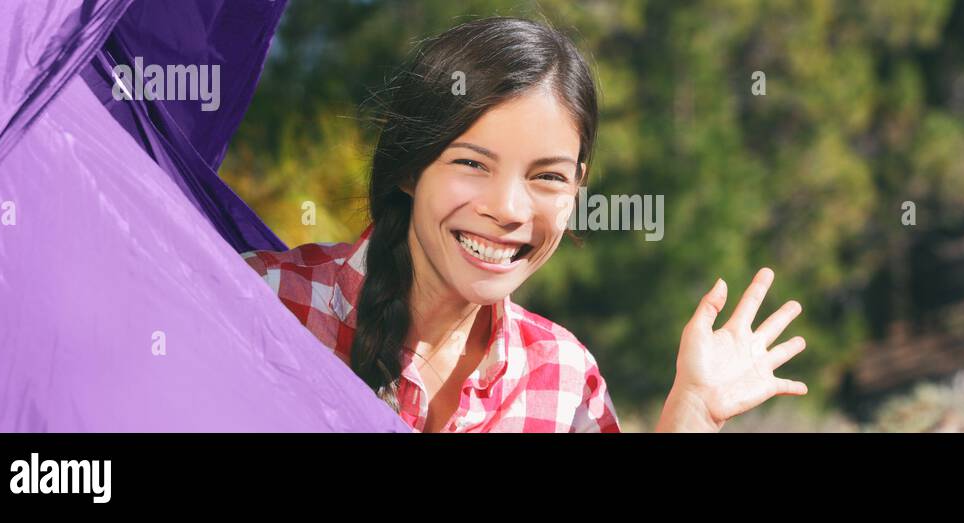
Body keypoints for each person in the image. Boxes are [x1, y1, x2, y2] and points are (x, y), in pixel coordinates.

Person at [242, 16, 807, 432]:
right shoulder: (262, 305)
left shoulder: (563, 380)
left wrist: (691, 413)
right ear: (411, 167)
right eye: (472, 164)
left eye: (548, 177)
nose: (510, 209)